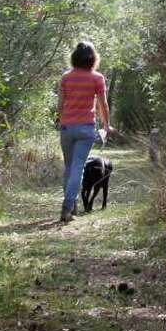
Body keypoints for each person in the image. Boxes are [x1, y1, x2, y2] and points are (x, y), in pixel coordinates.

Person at [55, 40, 113, 223]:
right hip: (86, 128)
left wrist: (60, 120)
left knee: (69, 167)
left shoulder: (66, 77)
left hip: (67, 127)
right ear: (92, 58)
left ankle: (71, 205)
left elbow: (60, 105)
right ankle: (67, 207)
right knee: (77, 168)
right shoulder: (97, 78)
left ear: (74, 57)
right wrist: (106, 125)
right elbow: (103, 105)